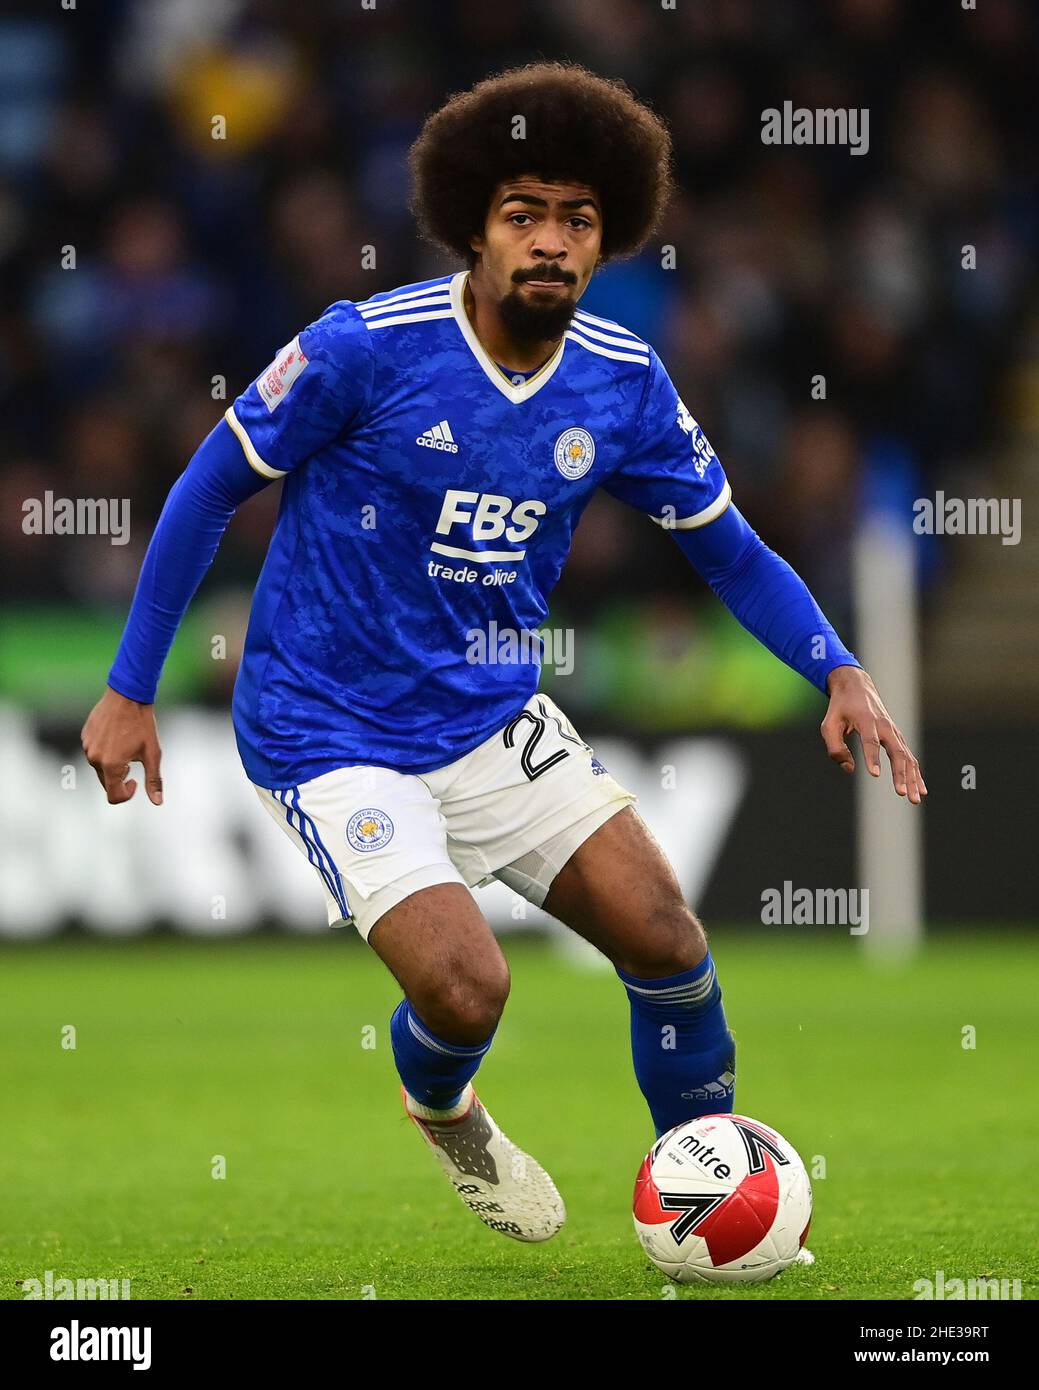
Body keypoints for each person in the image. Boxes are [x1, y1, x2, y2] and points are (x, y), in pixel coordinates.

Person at [82, 62, 925, 1245]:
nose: (550, 241)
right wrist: (130, 687)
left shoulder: (622, 384)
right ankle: (444, 1105)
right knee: (469, 986)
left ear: (608, 237)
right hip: (331, 729)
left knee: (667, 937)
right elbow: (207, 487)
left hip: (488, 715)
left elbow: (727, 550)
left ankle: (703, 1192)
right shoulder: (363, 348)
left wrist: (837, 664)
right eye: (523, 213)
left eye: (577, 219)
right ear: (473, 227)